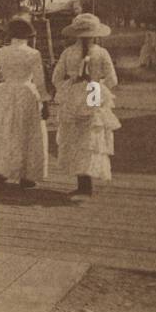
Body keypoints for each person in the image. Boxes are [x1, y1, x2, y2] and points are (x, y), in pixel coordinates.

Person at [52, 12, 121, 196]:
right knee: (91, 137)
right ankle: (87, 180)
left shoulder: (68, 52)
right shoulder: (101, 52)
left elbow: (56, 78)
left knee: (75, 137)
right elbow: (113, 79)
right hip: (94, 93)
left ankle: (82, 182)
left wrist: (68, 88)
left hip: (74, 94)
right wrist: (99, 87)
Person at [0, 16, 48, 189]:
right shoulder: (33, 54)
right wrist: (45, 101)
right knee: (26, 131)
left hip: (4, 92)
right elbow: (39, 81)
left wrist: (5, 76)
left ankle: (1, 170)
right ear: (28, 36)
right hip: (26, 92)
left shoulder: (1, 52)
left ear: (10, 35)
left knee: (3, 129)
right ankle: (26, 175)